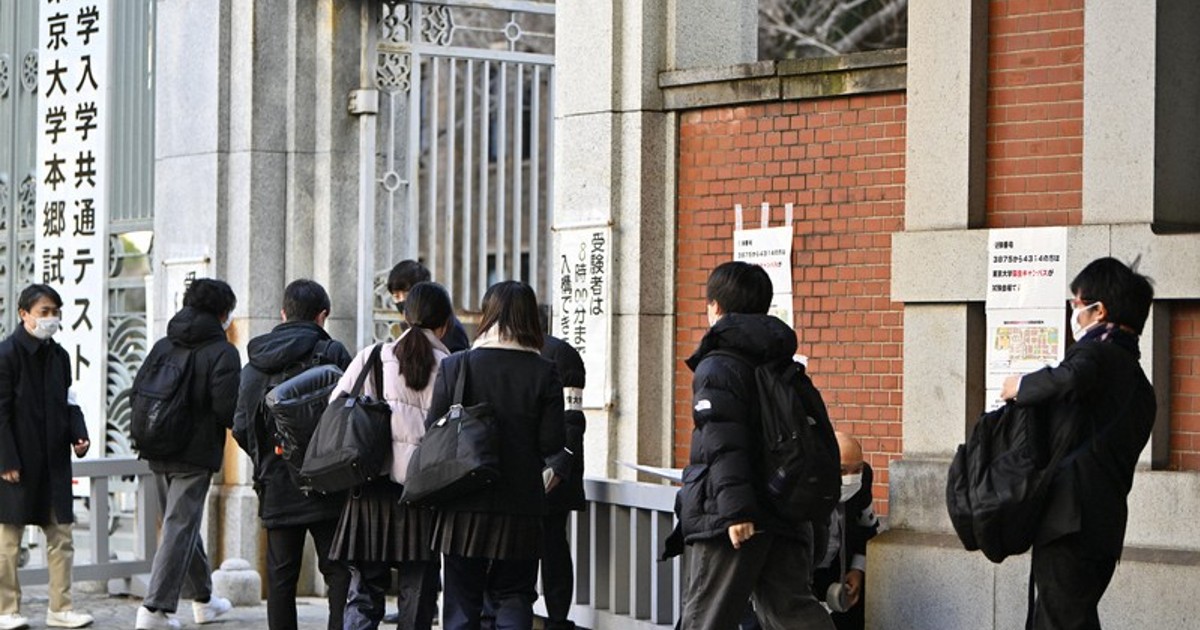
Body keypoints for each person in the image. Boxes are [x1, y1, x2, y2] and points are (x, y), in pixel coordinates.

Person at [671, 261, 834, 630]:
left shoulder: (717, 365)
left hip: (734, 517)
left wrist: (736, 512)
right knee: (793, 612)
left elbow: (723, 441)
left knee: (706, 617)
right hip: (785, 507)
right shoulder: (781, 362)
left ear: (715, 306)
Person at [999, 257, 1156, 630]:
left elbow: (1071, 376)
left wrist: (1020, 386)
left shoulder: (1096, 354)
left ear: (1098, 310)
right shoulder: (1141, 386)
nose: (1075, 315)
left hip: (1069, 523)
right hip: (1105, 526)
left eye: (1077, 306)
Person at [426, 281, 564, 630]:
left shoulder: (456, 366)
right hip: (520, 505)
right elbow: (552, 442)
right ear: (531, 319)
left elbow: (433, 429)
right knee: (515, 594)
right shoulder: (544, 371)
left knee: (461, 599)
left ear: (488, 315)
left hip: (461, 500)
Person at [328, 282, 453, 630]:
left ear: (406, 315)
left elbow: (337, 409)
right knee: (418, 595)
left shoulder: (372, 357)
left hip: (371, 490)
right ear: (444, 325)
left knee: (365, 592)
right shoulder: (453, 367)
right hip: (423, 494)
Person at [232, 279, 352, 630]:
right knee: (338, 572)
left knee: (281, 578)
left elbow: (240, 425)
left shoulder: (255, 364)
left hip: (277, 481)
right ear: (322, 316)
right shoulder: (332, 354)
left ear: (283, 313)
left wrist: (269, 459)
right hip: (329, 481)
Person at [136, 279, 241, 630]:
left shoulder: (164, 344)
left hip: (156, 446)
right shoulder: (222, 351)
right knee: (179, 526)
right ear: (223, 313)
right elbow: (228, 409)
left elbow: (138, 391)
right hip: (194, 454)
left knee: (180, 524)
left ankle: (204, 600)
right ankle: (154, 610)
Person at [0, 284, 94, 630]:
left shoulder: (59, 356)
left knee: (61, 538)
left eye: (56, 312)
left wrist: (78, 434)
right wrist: (5, 459)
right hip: (17, 462)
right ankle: (6, 610)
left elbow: (69, 401)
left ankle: (61, 607)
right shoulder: (6, 354)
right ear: (24, 314)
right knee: (9, 543)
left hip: (54, 461)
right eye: (44, 312)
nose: (51, 319)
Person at [740, 432, 879, 630]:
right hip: (793, 572)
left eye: (857, 469)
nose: (851, 478)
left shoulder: (862, 482)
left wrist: (858, 569)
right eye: (841, 471)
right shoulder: (799, 486)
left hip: (836, 574)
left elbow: (868, 528)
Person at [387, 260, 470, 353]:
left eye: (407, 294)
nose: (402, 301)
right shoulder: (405, 326)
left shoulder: (447, 327)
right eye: (396, 296)